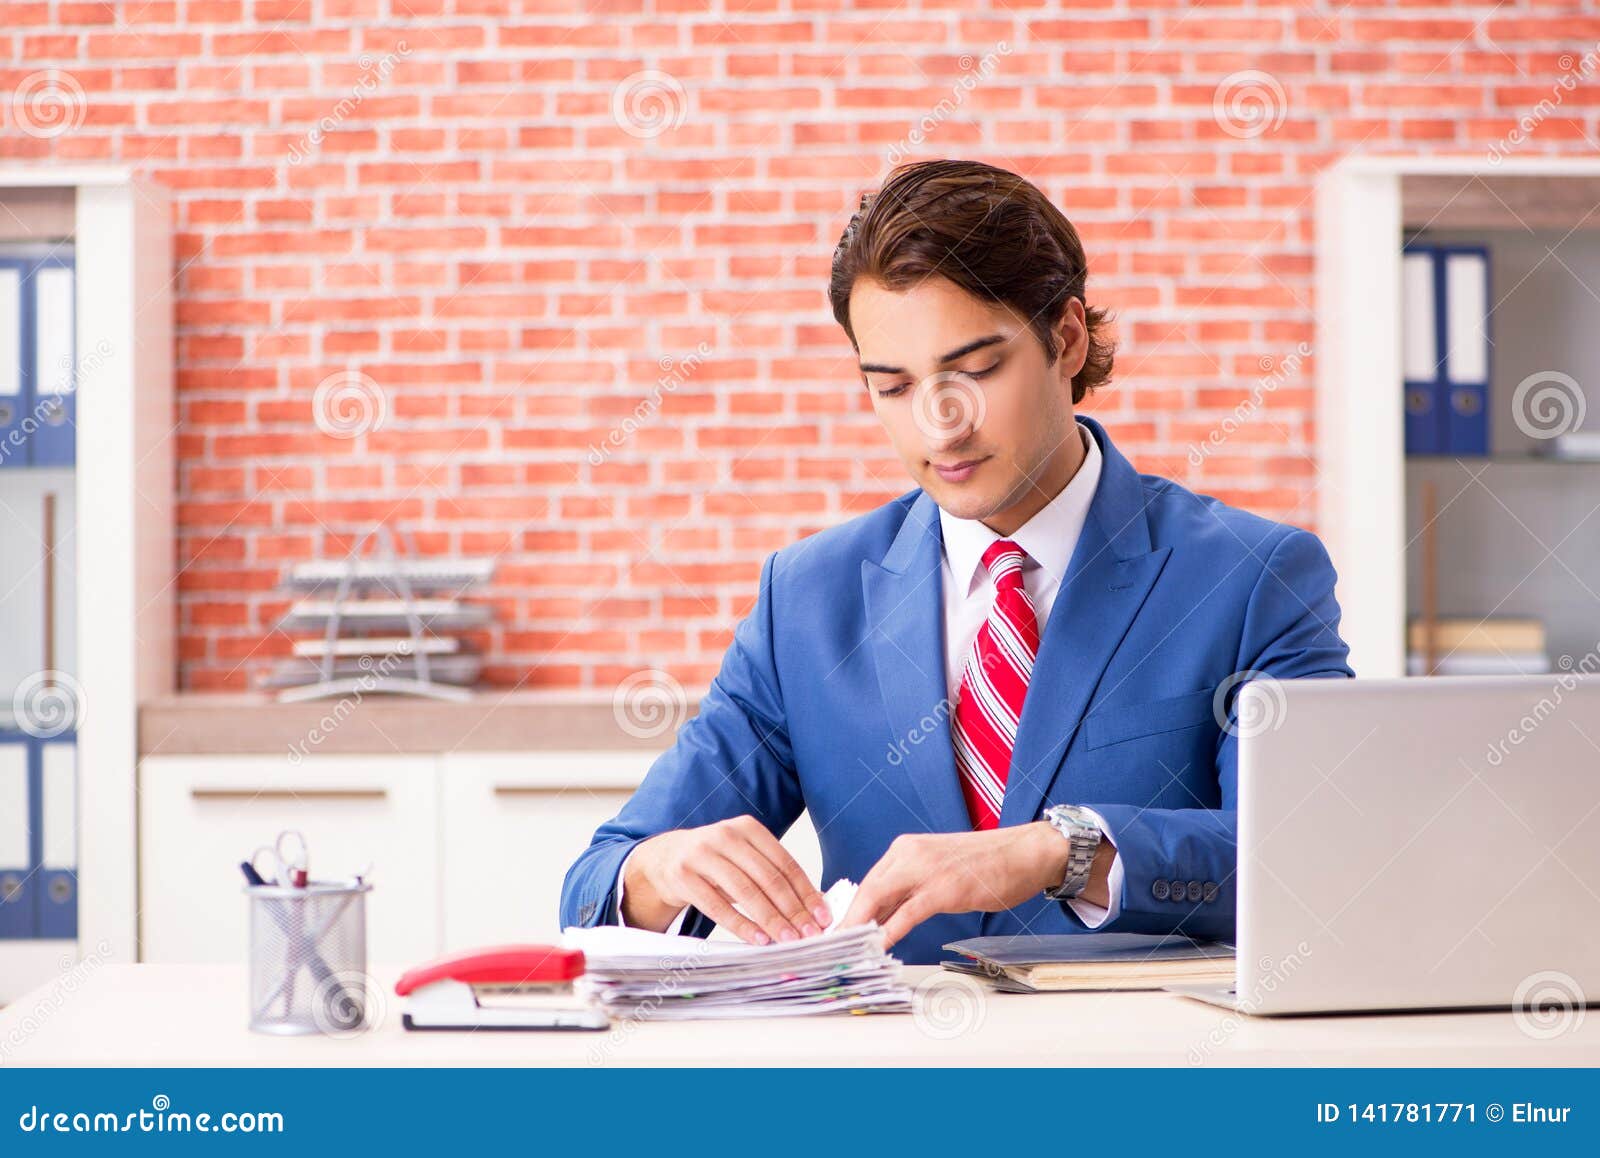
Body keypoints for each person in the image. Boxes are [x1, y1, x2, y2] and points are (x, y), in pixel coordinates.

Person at [560, 158, 1354, 965]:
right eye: (893, 388)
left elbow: (1309, 857)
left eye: (974, 370)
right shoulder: (806, 600)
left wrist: (1063, 850)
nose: (939, 424)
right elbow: (597, 882)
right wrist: (659, 869)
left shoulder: (1250, 577)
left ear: (1067, 338)